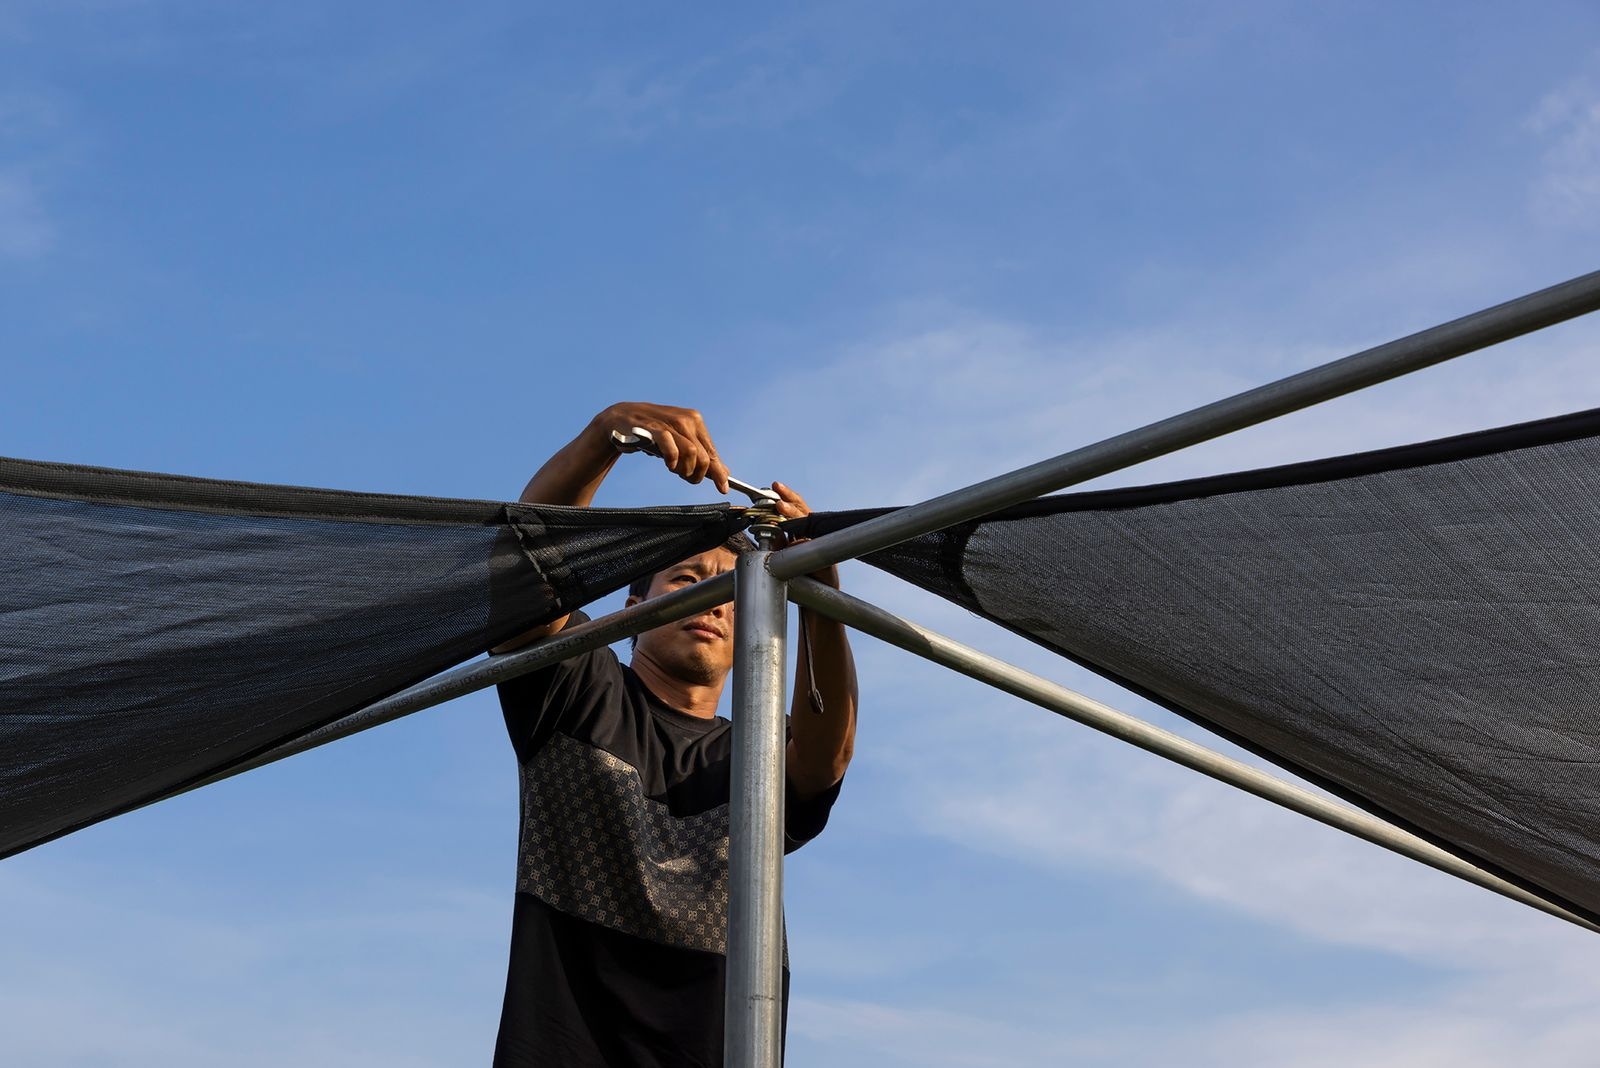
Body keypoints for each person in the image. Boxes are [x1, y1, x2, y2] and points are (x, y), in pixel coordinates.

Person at [490, 402, 859, 1067]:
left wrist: (819, 588)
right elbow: (524, 568)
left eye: (731, 592)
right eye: (687, 579)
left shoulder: (757, 754)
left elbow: (827, 752)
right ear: (635, 610)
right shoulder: (579, 689)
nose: (711, 599)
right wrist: (605, 433)